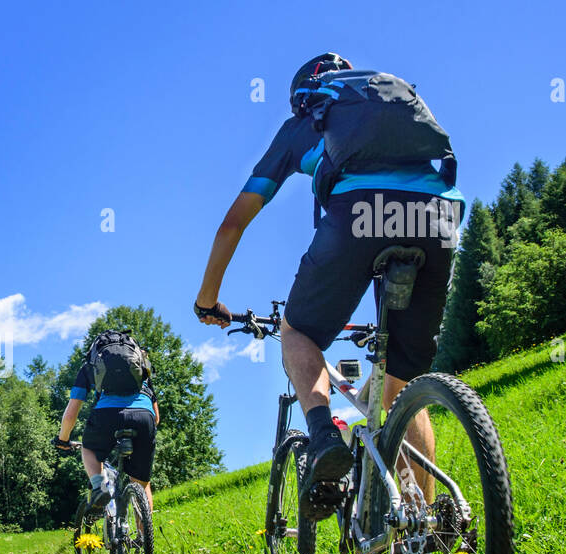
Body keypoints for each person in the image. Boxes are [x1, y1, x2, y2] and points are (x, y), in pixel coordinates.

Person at [193, 53, 463, 510]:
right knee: (401, 387)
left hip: (359, 213)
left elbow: (232, 224)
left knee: (298, 331)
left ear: (304, 96)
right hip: (439, 214)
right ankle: (426, 533)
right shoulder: (388, 102)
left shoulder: (308, 120)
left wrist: (208, 301)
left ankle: (323, 438)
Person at [53, 330, 160, 510]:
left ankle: (99, 487)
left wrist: (63, 439)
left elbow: (71, 413)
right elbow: (156, 416)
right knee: (142, 485)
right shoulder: (142, 364)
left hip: (107, 415)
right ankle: (144, 537)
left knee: (89, 448)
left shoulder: (89, 366)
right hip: (144, 416)